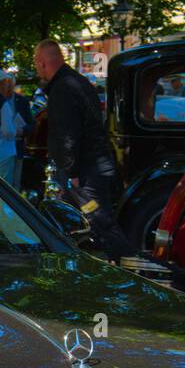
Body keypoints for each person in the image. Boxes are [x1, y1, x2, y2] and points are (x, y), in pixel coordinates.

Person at [33, 39, 132, 259]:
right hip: (92, 166)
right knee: (94, 220)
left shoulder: (62, 89)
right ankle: (115, 261)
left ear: (42, 63)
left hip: (85, 171)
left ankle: (125, 262)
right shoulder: (76, 82)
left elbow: (68, 136)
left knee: (98, 220)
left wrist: (71, 172)